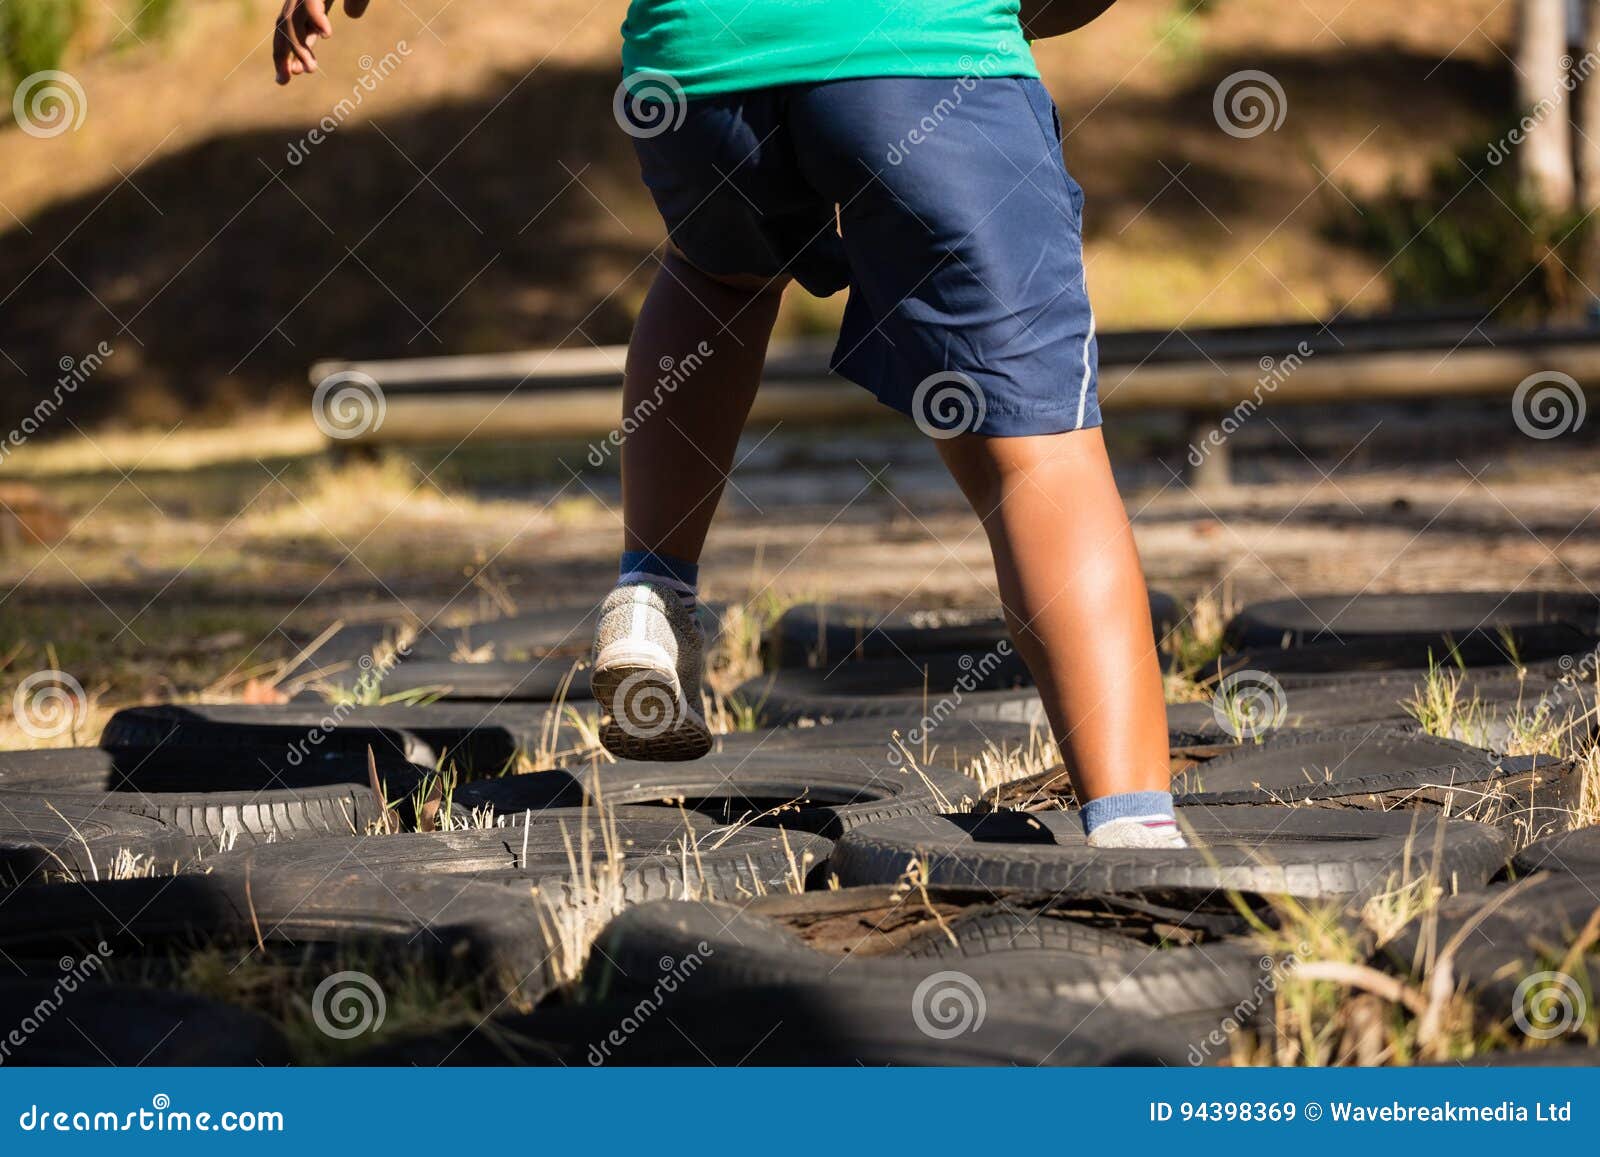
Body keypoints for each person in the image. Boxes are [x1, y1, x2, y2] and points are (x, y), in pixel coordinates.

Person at [272, 0, 1183, 848]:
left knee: (720, 275)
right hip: (925, 52)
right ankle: (1136, 833)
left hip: (699, 67)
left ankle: (651, 594)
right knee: (1038, 462)